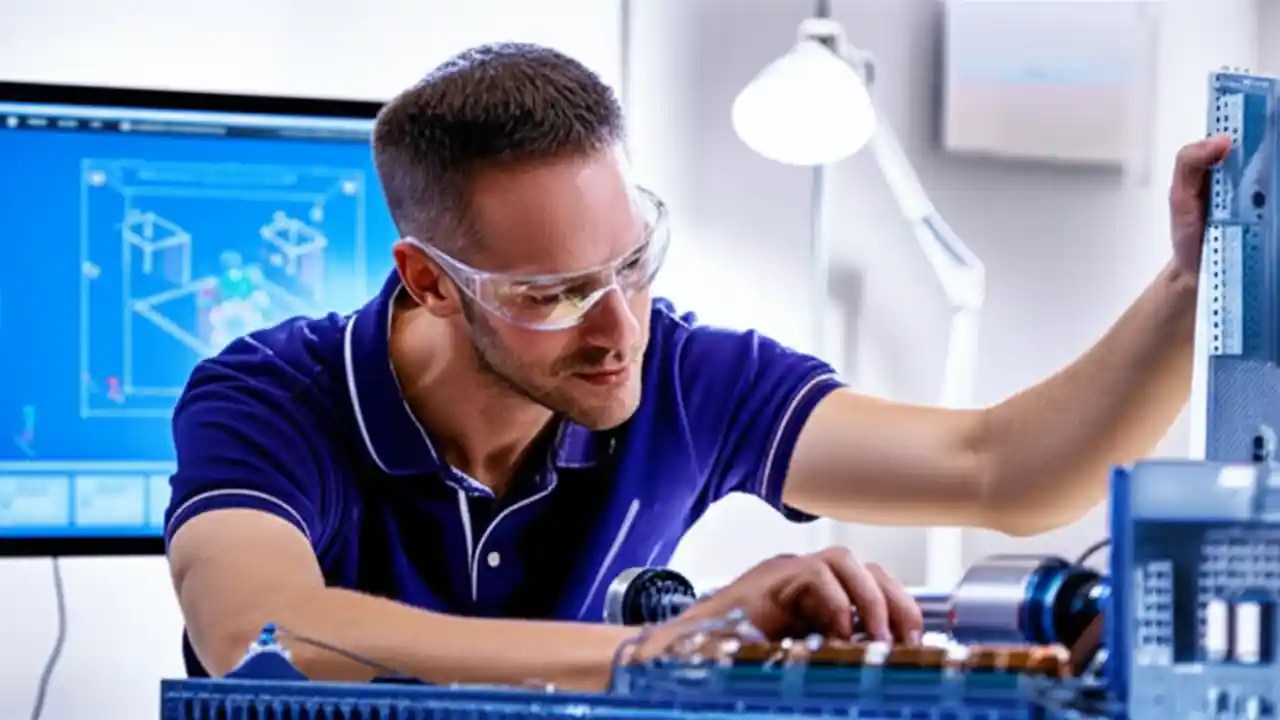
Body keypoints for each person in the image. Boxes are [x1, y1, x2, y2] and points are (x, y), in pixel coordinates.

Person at [164, 42, 1229, 690]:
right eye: (554, 294)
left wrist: (1193, 282)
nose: (618, 329)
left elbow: (1001, 470)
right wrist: (663, 649)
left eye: (632, 264)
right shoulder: (271, 398)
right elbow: (255, 634)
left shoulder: (678, 376)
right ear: (430, 281)